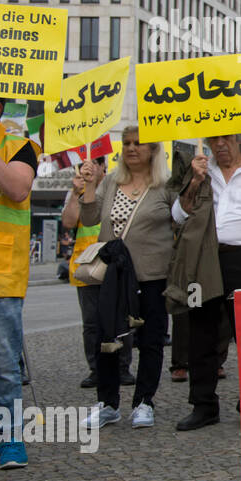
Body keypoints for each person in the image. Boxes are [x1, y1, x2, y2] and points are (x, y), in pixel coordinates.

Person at [171, 132, 241, 430]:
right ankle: (203, 405)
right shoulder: (200, 171)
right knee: (200, 332)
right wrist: (194, 182)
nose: (220, 144)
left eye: (227, 138)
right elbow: (178, 216)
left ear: (240, 139)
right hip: (202, 260)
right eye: (215, 139)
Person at [77, 128, 178, 428]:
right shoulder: (111, 181)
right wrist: (90, 184)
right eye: (127, 143)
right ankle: (107, 403)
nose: (131, 148)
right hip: (115, 277)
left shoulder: (166, 185)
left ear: (154, 149)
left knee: (151, 340)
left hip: (152, 275)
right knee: (107, 338)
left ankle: (144, 401)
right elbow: (89, 218)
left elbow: (182, 219)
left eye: (138, 143)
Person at [62, 161, 134, 390]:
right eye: (84, 165)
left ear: (104, 168)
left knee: (120, 318)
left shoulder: (117, 188)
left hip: (114, 262)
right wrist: (75, 193)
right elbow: (68, 222)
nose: (88, 169)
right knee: (92, 323)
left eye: (94, 164)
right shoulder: (78, 190)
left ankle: (122, 368)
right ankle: (96, 369)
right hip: (87, 265)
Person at [0, 98, 36, 468]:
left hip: (2, 276)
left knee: (4, 367)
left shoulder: (19, 146)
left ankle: (10, 439)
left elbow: (17, 189)